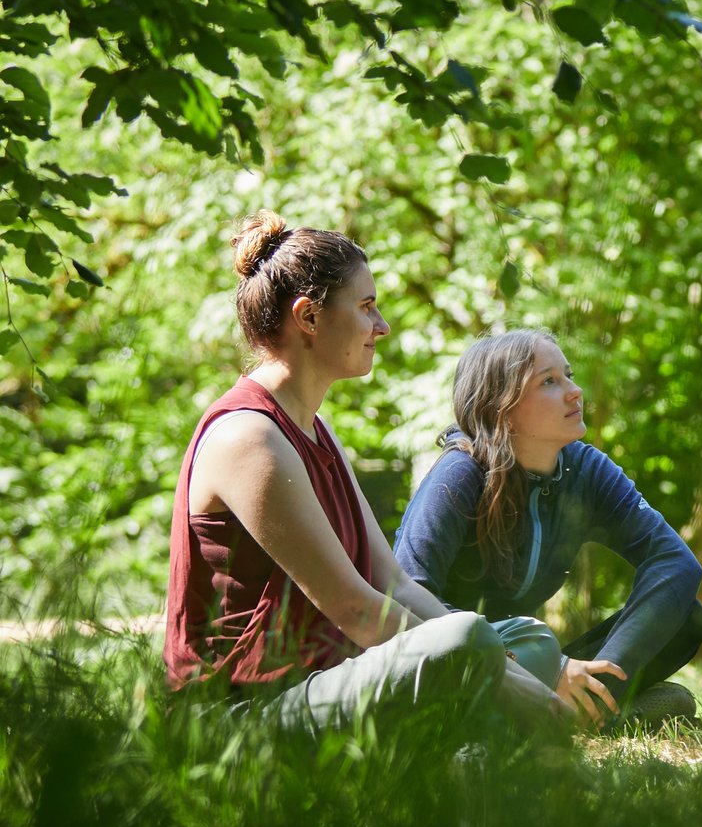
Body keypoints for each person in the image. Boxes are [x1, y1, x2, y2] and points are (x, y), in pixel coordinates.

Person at [165, 211, 572, 733]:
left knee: (524, 641)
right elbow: (355, 608)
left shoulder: (317, 429)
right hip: (243, 718)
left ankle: (479, 736)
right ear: (309, 318)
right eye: (366, 307)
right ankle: (497, 738)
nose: (381, 326)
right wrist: (512, 681)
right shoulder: (249, 437)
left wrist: (504, 662)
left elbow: (394, 584)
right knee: (468, 642)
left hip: (328, 682)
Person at [394, 329, 702, 727]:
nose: (575, 392)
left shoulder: (586, 470)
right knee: (527, 642)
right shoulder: (460, 473)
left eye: (569, 375)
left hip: (537, 658)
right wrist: (549, 667)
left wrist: (597, 680)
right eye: (549, 381)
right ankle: (570, 719)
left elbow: (676, 562)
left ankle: (583, 712)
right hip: (457, 664)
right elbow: (406, 597)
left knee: (685, 617)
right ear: (502, 407)